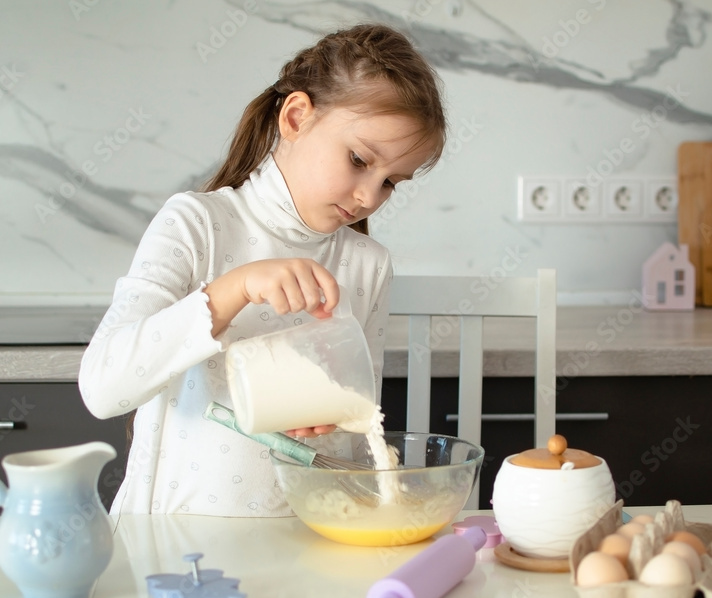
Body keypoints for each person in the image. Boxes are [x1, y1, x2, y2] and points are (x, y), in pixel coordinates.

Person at [79, 24, 447, 516]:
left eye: (391, 183)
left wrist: (332, 416)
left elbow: (360, 428)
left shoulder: (367, 264)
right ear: (296, 118)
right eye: (359, 159)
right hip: (176, 548)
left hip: (305, 544)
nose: (369, 198)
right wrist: (231, 291)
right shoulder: (197, 224)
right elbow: (103, 389)